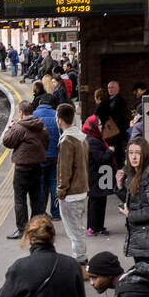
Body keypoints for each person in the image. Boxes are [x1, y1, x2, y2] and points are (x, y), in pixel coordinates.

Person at [115, 136, 149, 267]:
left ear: (144, 154)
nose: (133, 157)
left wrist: (131, 215)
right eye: (131, 153)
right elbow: (134, 201)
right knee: (144, 281)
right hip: (140, 238)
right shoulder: (135, 173)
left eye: (138, 153)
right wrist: (120, 185)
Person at [1, 101, 49, 240]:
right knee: (36, 199)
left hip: (22, 169)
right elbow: (46, 142)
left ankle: (22, 229)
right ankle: (37, 228)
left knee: (20, 200)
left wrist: (10, 128)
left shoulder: (19, 128)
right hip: (37, 167)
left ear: (21, 112)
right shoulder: (41, 126)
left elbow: (7, 142)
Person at [54, 103, 89, 265]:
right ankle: (80, 259)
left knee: (75, 232)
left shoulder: (67, 140)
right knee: (79, 230)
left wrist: (61, 192)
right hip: (82, 190)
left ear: (59, 119)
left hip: (71, 195)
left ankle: (80, 262)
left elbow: (64, 170)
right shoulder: (82, 137)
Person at [82, 114, 115, 236]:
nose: (102, 126)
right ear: (94, 126)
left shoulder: (91, 138)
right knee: (97, 202)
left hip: (96, 175)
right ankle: (94, 227)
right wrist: (109, 151)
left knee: (97, 201)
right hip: (97, 176)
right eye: (99, 124)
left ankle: (95, 227)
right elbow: (100, 159)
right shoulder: (93, 141)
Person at [34, 94, 61, 219]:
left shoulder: (33, 115)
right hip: (55, 156)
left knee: (40, 185)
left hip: (39, 157)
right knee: (54, 183)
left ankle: (40, 212)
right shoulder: (57, 115)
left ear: (40, 103)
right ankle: (56, 213)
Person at [106, 80, 132, 166]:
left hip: (116, 133)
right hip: (113, 132)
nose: (110, 89)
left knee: (118, 154)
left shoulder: (120, 101)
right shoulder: (111, 100)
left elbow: (123, 117)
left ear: (118, 89)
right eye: (109, 88)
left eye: (112, 87)